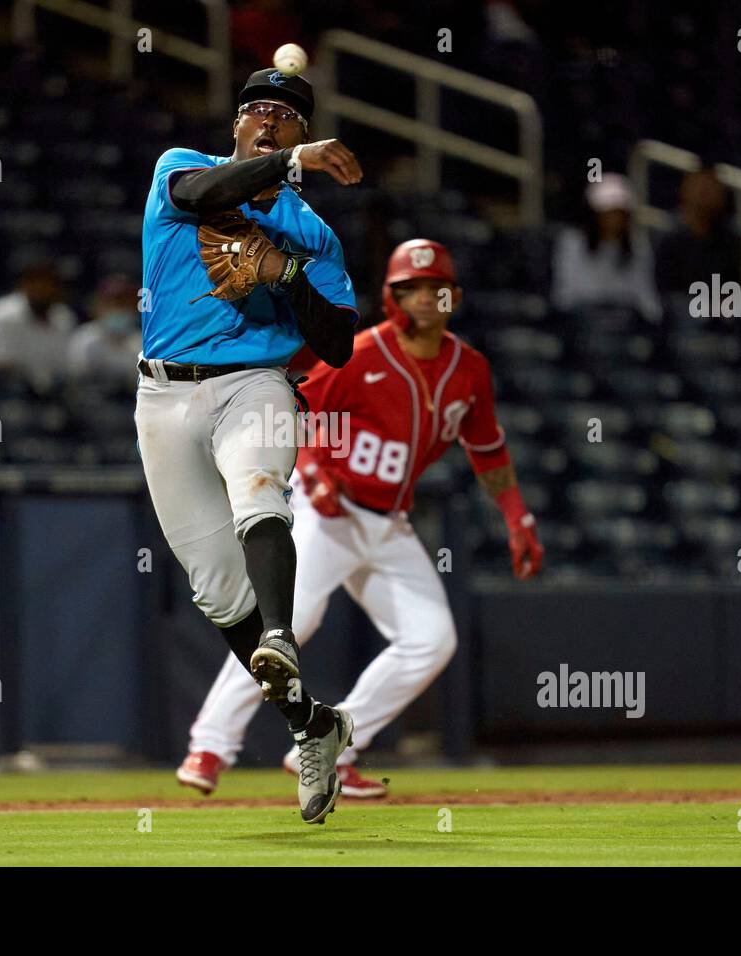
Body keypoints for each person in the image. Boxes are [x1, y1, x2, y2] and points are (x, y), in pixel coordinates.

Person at [178, 239, 545, 798]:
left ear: (454, 297)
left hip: (389, 523)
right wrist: (315, 469)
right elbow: (291, 409)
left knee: (431, 639)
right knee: (288, 626)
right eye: (410, 288)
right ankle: (210, 745)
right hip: (328, 508)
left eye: (435, 288)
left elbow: (488, 448)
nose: (424, 298)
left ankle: (336, 745)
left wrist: (517, 517)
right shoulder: (362, 352)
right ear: (392, 296)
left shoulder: (469, 369)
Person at [137, 68, 364, 824]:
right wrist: (291, 168)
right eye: (257, 110)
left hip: (253, 384)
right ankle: (315, 728)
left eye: (287, 115)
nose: (269, 121)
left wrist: (288, 273)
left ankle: (280, 636)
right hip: (162, 394)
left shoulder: (315, 235)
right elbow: (199, 201)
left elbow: (337, 345)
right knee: (214, 588)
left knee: (258, 490)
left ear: (301, 131)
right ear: (237, 125)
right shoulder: (181, 168)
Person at [550, 172, 661, 322]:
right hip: (582, 320)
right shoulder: (572, 243)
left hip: (624, 322)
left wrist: (653, 318)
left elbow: (645, 295)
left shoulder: (638, 247)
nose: (613, 220)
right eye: (607, 213)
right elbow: (565, 295)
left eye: (618, 213)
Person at [0, 261, 77, 388]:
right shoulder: (4, 314)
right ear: (24, 285)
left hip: (40, 390)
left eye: (49, 284)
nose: (42, 289)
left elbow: (64, 368)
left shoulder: (63, 318)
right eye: (36, 283)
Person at [654, 166, 741, 296]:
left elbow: (732, 286)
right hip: (681, 307)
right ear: (686, 190)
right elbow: (665, 291)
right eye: (703, 189)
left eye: (713, 188)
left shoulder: (729, 239)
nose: (708, 194)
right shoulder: (669, 237)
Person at [66, 274, 142, 390]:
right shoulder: (84, 338)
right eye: (111, 302)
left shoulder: (141, 343)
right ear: (98, 305)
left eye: (123, 303)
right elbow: (75, 380)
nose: (118, 309)